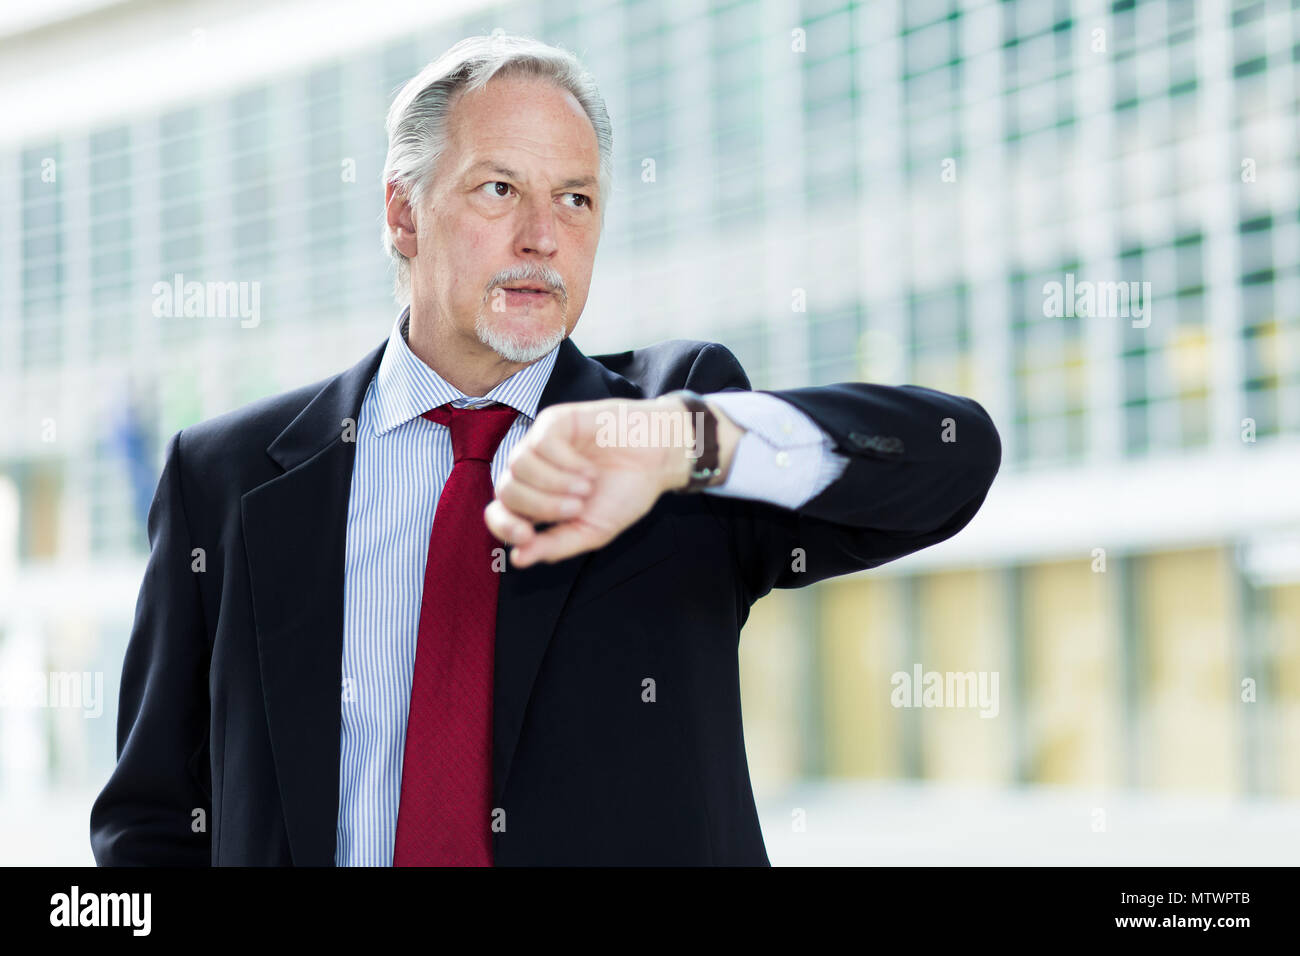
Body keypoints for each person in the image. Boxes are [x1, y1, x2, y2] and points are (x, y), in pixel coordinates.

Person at [90, 33, 1001, 866]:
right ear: (403, 215)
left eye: (576, 198)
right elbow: (154, 817)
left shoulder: (669, 430)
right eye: (500, 189)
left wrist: (678, 444)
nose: (544, 236)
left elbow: (954, 459)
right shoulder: (229, 477)